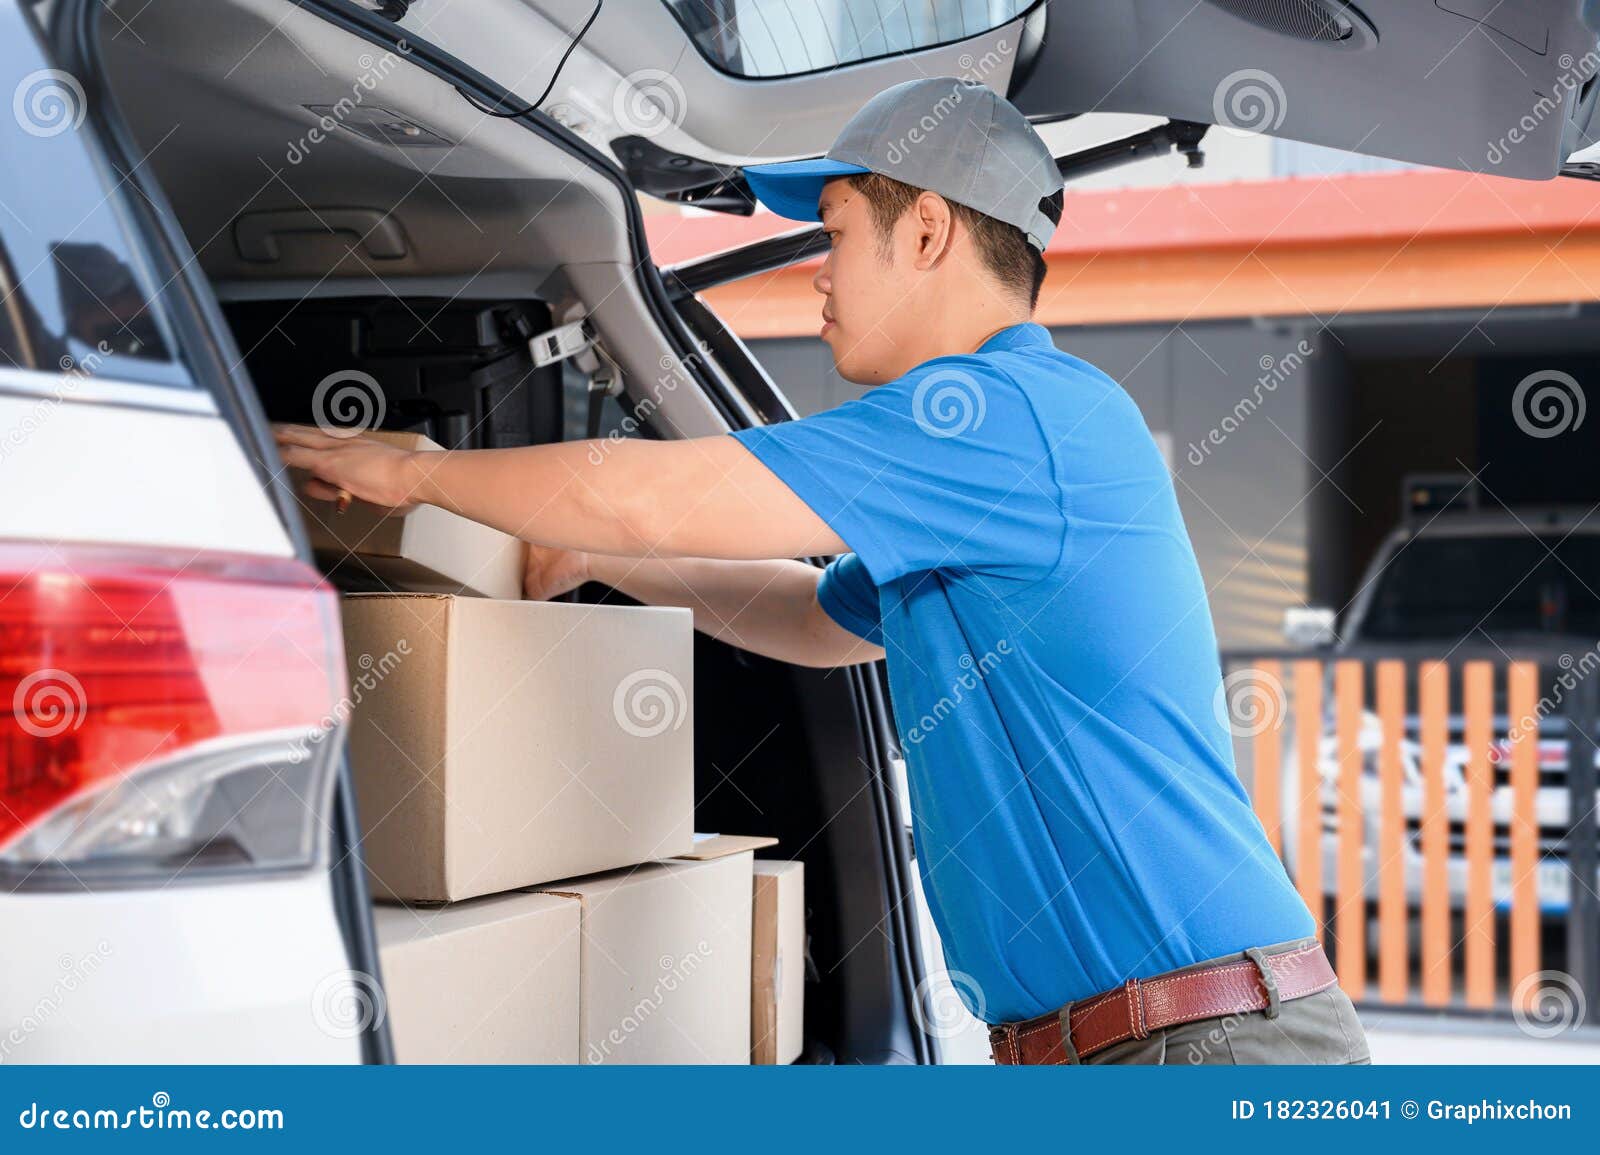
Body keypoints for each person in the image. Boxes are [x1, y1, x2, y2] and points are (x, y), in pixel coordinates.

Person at [275, 77, 1368, 1066]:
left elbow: (654, 491)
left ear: (929, 231)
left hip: (1204, 1047)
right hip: (1129, 1046)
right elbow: (809, 617)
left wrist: (414, 474)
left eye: (837, 235)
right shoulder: (988, 446)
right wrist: (598, 557)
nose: (817, 275)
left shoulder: (1003, 415)